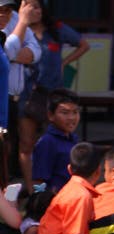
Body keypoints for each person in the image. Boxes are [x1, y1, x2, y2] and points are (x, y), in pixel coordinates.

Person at [19, 0, 88, 192]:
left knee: (57, 140)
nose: (35, 10)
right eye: (29, 6)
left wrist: (65, 62)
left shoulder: (56, 29)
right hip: (28, 94)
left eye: (38, 6)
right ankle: (34, 191)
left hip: (54, 95)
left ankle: (59, 186)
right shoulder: (18, 30)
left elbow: (83, 45)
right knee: (27, 143)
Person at [0, 0, 41, 194]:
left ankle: (12, 198)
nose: (4, 15)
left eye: (7, 10)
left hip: (15, 98)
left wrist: (10, 53)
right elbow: (7, 51)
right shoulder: (21, 20)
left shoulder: (16, 17)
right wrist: (23, 24)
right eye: (0, 10)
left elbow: (36, 52)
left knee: (16, 146)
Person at [31, 88, 79, 193]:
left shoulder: (74, 139)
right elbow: (39, 182)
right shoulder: (47, 142)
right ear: (50, 115)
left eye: (75, 112)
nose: (71, 118)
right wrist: (41, 202)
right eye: (65, 113)